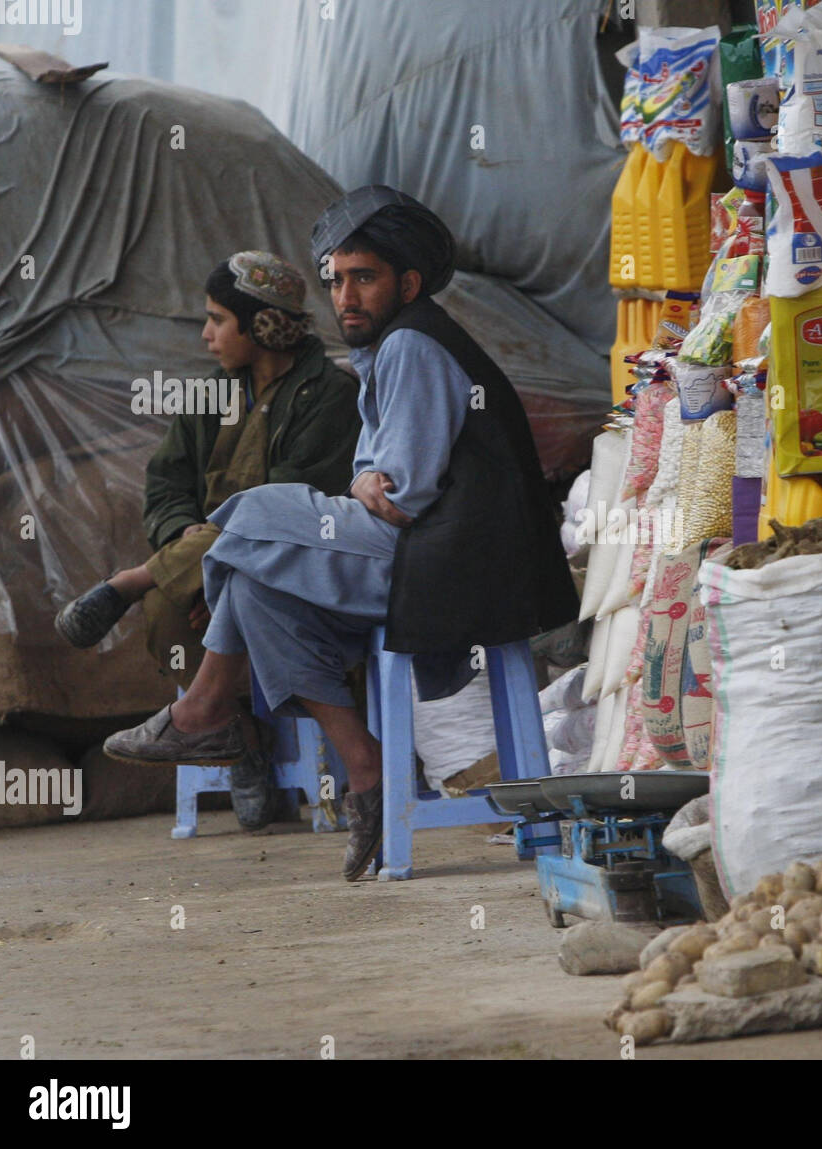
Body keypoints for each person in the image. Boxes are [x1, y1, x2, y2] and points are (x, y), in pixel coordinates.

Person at [103, 187, 579, 880]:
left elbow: (400, 495)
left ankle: (199, 699)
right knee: (259, 589)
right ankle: (364, 768)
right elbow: (372, 474)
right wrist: (363, 483)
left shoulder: (414, 343)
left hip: (452, 562)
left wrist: (363, 485)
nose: (345, 295)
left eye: (364, 277)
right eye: (336, 280)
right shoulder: (387, 348)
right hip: (430, 554)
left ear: (407, 282)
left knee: (257, 513)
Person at [56, 251, 360, 828]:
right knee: (166, 612)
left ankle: (135, 581)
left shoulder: (328, 396)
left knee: (251, 523)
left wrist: (211, 565)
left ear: (263, 325)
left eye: (219, 319)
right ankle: (237, 733)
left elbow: (286, 507)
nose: (206, 334)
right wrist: (186, 549)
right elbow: (166, 483)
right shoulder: (208, 394)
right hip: (207, 561)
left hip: (292, 564)